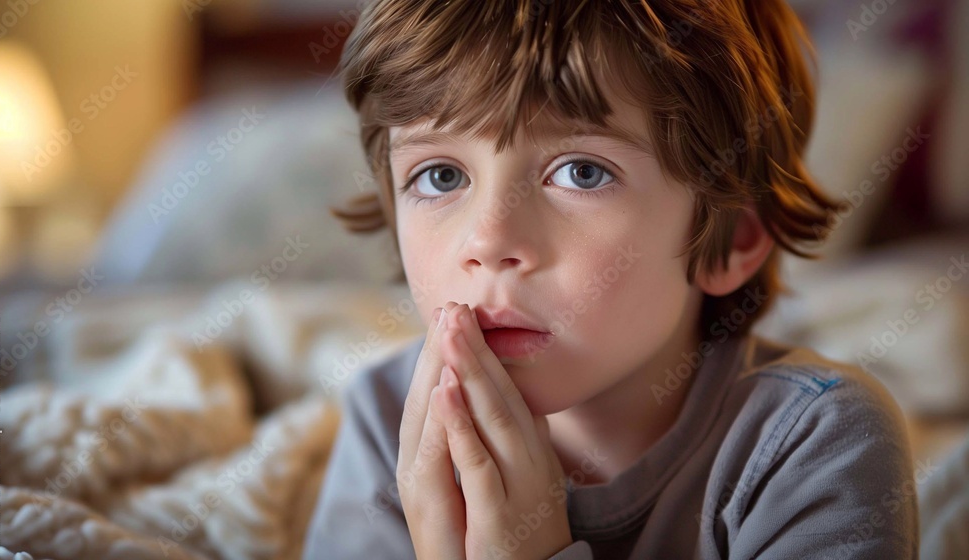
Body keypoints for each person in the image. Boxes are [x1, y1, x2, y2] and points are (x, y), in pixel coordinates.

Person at [303, 1, 920, 558]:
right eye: (440, 176)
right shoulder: (389, 421)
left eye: (581, 173)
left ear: (734, 240)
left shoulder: (814, 444)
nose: (487, 242)